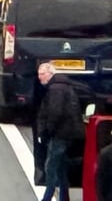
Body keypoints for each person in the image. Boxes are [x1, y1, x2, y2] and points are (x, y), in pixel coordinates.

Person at [32, 62, 80, 198]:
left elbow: (55, 112)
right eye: (38, 74)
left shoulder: (55, 89)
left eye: (42, 74)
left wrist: (48, 131)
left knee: (51, 166)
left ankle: (47, 197)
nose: (39, 77)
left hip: (60, 134)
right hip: (66, 132)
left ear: (50, 74)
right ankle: (64, 197)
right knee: (61, 167)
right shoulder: (63, 86)